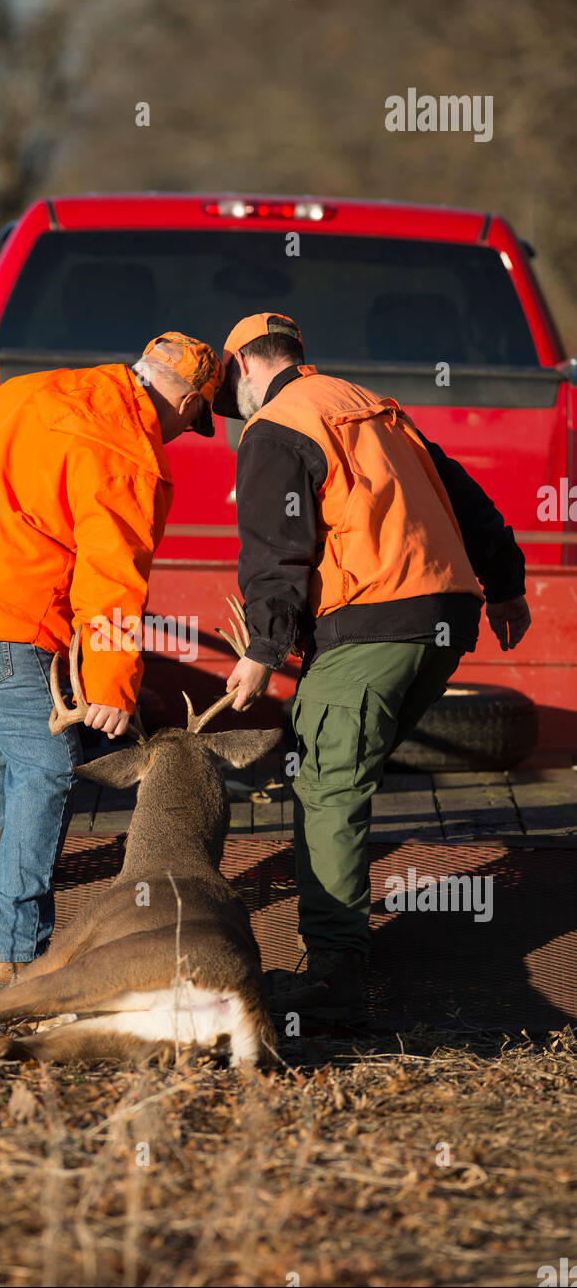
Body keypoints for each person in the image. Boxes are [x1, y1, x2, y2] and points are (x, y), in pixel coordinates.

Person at [212, 312, 531, 1024]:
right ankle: (344, 935)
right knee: (346, 770)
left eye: (225, 394)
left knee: (326, 784)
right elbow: (466, 497)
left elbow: (275, 552)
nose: (228, 414)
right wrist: (505, 584)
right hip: (444, 620)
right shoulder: (371, 408)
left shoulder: (274, 426)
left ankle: (333, 969)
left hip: (374, 622)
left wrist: (262, 650)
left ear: (243, 368)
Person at [0, 333, 223, 995]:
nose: (187, 433)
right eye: (196, 419)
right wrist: (107, 689)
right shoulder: (125, 451)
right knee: (47, 770)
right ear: (183, 399)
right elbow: (111, 584)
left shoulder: (32, 388)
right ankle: (11, 956)